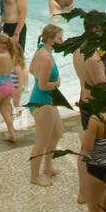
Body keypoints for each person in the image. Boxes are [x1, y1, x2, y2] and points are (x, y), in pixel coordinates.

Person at [72, 18, 106, 204]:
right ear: (96, 28)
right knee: (103, 149)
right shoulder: (93, 58)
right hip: (95, 105)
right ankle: (101, 194)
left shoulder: (78, 50)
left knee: (86, 148)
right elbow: (102, 86)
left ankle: (83, 192)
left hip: (84, 101)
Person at [28, 24, 64, 186]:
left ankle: (48, 167)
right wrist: (56, 83)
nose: (62, 41)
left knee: (57, 132)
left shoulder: (42, 50)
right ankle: (35, 176)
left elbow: (30, 69)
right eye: (59, 38)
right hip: (42, 102)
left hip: (47, 100)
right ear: (51, 39)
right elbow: (43, 85)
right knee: (41, 142)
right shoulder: (46, 57)